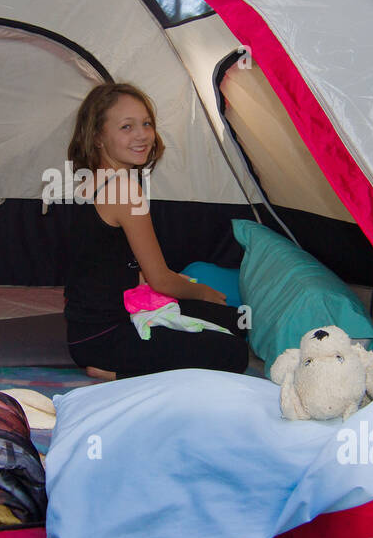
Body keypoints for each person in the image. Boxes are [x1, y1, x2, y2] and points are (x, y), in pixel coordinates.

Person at [62, 82, 250, 380]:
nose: (142, 135)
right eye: (127, 127)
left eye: (146, 124)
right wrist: (201, 292)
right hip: (106, 336)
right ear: (97, 137)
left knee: (234, 321)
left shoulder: (89, 181)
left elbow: (102, 264)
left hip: (89, 327)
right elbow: (159, 280)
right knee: (233, 352)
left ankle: (132, 361)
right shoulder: (125, 191)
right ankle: (116, 373)